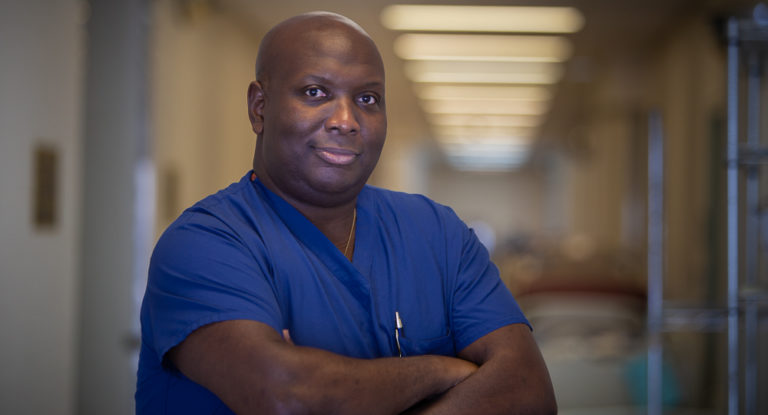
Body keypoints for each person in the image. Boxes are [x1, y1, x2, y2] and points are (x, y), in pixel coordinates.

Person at [136, 11, 556, 415]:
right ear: (259, 106)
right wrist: (439, 370)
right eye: (315, 92)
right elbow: (287, 398)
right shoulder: (205, 244)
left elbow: (528, 390)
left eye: (367, 99)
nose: (345, 120)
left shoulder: (438, 234)